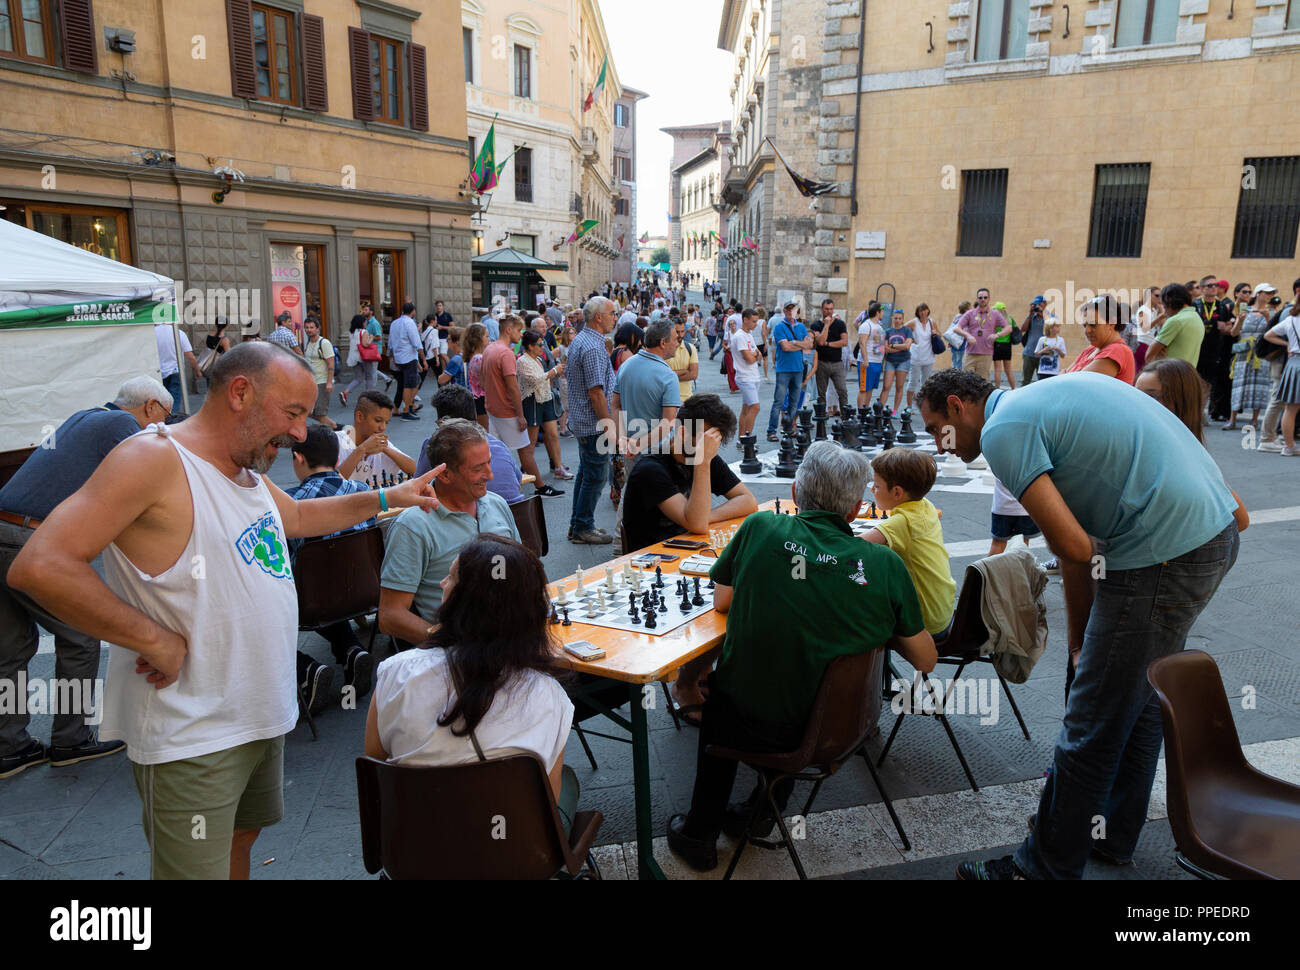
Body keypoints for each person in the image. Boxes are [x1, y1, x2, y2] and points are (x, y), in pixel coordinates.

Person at [7, 343, 441, 879]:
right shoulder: (152, 458)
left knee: (241, 838)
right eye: (294, 413)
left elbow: (301, 516)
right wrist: (152, 639)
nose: (302, 433)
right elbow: (41, 564)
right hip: (193, 729)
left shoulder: (247, 470)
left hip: (257, 712)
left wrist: (388, 498)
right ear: (240, 393)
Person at [915, 369, 1239, 880]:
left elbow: (1073, 548)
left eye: (937, 429)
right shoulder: (1051, 398)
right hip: (1211, 536)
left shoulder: (1003, 430)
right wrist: (1084, 639)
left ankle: (1040, 869)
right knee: (1139, 693)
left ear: (958, 406)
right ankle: (1108, 832)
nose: (941, 445)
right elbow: (1081, 545)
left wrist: (1089, 646)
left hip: (1160, 558)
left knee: (1091, 720)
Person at [665, 441, 938, 871]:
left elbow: (721, 603)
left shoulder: (760, 529)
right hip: (843, 728)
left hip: (749, 723)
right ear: (854, 510)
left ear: (795, 492)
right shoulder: (883, 564)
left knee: (725, 693)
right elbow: (925, 660)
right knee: (804, 684)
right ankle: (757, 815)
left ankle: (699, 833)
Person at [0, 376, 172, 779]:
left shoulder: (86, 416)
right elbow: (147, 480)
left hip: (3, 527)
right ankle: (71, 740)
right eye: (162, 417)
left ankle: (10, 748)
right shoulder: (122, 428)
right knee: (79, 636)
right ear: (150, 407)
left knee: (11, 648)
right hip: (30, 538)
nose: (160, 427)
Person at [366, 534, 581, 832]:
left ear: (466, 602)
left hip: (412, 855)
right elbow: (549, 802)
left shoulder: (395, 673)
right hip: (516, 858)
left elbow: (375, 766)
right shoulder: (550, 696)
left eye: (451, 578)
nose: (442, 584)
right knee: (567, 781)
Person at [379, 420, 521, 643]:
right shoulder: (413, 526)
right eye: (477, 468)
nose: (490, 475)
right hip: (462, 649)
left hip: (512, 633)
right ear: (444, 475)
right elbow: (391, 616)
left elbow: (520, 571)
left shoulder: (496, 504)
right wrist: (454, 644)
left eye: (489, 463)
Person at [286, 426, 376, 713]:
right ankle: (352, 650)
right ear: (338, 459)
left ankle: (305, 669)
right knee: (329, 585)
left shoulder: (293, 504)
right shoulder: (364, 492)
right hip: (363, 593)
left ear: (298, 458)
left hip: (313, 603)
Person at [621, 393, 756, 553]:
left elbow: (748, 501)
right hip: (652, 562)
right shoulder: (650, 470)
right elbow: (697, 524)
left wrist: (708, 516)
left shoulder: (707, 457)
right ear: (683, 432)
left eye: (714, 440)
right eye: (705, 439)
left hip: (689, 550)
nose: (711, 446)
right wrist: (703, 462)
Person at [1135, 358, 1250, 533]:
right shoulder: (1170, 444)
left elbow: (1240, 519)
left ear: (1180, 401)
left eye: (1152, 396)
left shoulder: (1177, 451)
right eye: (1135, 393)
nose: (1139, 401)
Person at [861, 449, 955, 638]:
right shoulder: (925, 505)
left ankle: (874, 665)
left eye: (877, 486)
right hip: (942, 609)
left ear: (897, 492)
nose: (872, 490)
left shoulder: (902, 522)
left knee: (860, 611)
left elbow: (853, 546)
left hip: (925, 622)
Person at [483, 315, 560, 498]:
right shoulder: (506, 353)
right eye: (518, 330)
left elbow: (483, 379)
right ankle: (540, 486)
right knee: (525, 451)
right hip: (506, 410)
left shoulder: (490, 349)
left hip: (493, 408)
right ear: (509, 330)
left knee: (496, 450)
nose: (520, 334)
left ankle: (496, 484)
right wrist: (520, 415)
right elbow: (512, 387)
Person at [414, 384, 524, 505]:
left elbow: (417, 487)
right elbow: (517, 480)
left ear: (443, 421)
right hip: (517, 512)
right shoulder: (497, 444)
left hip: (478, 517)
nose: (489, 476)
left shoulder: (437, 446)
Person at [566, 297, 619, 545]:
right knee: (595, 476)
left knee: (586, 474)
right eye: (612, 314)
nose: (614, 318)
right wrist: (608, 425)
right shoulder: (592, 347)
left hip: (584, 421)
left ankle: (578, 523)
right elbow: (596, 392)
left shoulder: (585, 340)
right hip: (593, 423)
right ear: (598, 317)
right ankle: (583, 527)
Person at [518, 330, 572, 486]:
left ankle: (558, 467)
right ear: (530, 346)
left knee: (553, 435)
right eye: (539, 344)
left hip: (546, 399)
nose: (542, 346)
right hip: (532, 401)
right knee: (532, 440)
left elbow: (544, 379)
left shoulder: (539, 358)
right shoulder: (522, 361)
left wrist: (556, 373)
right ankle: (524, 469)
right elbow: (535, 380)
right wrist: (554, 371)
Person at [1222, 283, 1275, 432]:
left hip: (1260, 353)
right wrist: (1240, 319)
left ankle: (1254, 419)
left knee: (1260, 385)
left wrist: (1267, 318)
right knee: (1238, 385)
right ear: (1258, 294)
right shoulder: (1246, 310)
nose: (1269, 296)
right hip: (1244, 353)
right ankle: (1232, 419)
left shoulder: (1271, 312)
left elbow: (1272, 332)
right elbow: (1234, 333)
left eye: (1271, 294)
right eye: (1267, 293)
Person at [336, 390, 415, 485]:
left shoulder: (380, 443)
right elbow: (333, 484)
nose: (383, 427)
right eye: (378, 420)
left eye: (386, 422)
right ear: (360, 416)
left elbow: (415, 470)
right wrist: (362, 449)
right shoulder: (335, 442)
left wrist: (386, 449)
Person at [766, 301, 811, 441]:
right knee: (778, 401)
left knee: (794, 401)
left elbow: (809, 345)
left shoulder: (802, 327)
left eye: (794, 309)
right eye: (789, 309)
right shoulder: (780, 327)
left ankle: (789, 428)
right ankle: (771, 431)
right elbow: (785, 347)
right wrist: (800, 343)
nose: (791, 312)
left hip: (798, 369)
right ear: (785, 311)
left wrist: (794, 342)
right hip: (784, 369)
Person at [1066, 294, 1135, 384]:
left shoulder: (1117, 351)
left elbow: (1076, 384)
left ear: (1111, 323)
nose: (1087, 330)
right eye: (1084, 325)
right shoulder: (1091, 349)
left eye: (1093, 325)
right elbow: (1064, 377)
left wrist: (1066, 376)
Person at [1260, 302, 1300, 456]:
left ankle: (1288, 446)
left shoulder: (1290, 319)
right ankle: (1289, 446)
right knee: (1290, 408)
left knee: (1290, 408)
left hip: (1292, 363)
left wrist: (1287, 343)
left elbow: (1268, 335)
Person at [1194, 276, 1235, 423]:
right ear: (1203, 288)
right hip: (1197, 349)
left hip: (1215, 351)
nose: (1213, 288)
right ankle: (1193, 412)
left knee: (1207, 385)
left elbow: (1230, 325)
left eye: (1215, 285)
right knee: (1195, 383)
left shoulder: (1223, 306)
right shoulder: (1195, 305)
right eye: (1210, 285)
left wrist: (1227, 327)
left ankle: (1199, 413)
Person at [953, 288, 1009, 380]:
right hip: (970, 353)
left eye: (985, 297)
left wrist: (997, 335)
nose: (983, 299)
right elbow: (956, 328)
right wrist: (968, 335)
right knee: (966, 381)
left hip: (986, 354)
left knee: (982, 383)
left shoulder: (995, 314)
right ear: (977, 299)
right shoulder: (970, 313)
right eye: (980, 297)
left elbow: (1008, 328)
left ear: (989, 299)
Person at [1144, 283, 1201, 366]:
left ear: (1169, 302)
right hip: (1188, 374)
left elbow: (1149, 356)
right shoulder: (1196, 317)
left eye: (1163, 305)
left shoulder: (1175, 320)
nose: (1164, 309)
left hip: (1170, 374)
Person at [811, 298, 850, 416]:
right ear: (822, 309)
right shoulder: (816, 325)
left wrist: (829, 344)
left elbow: (844, 342)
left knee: (842, 390)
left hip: (837, 363)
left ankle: (846, 417)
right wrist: (826, 325)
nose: (829, 311)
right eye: (826, 309)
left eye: (831, 309)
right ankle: (821, 418)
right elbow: (821, 341)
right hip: (822, 363)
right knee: (821, 393)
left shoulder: (840, 324)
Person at [986, 477, 1042, 556]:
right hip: (1024, 508)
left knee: (998, 544)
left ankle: (988, 568)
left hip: (1002, 508)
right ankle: (1018, 568)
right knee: (1022, 545)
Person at [388, 301, 425, 421]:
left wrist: (393, 357)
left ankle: (408, 407)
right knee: (409, 385)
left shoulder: (394, 323)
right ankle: (406, 410)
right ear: (413, 311)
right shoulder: (410, 323)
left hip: (398, 358)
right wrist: (423, 360)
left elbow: (390, 342)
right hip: (408, 357)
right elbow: (417, 343)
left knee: (405, 383)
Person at [731, 309, 762, 439]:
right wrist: (755, 355)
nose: (756, 324)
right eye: (754, 321)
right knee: (755, 407)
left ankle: (741, 438)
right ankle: (748, 439)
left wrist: (755, 355)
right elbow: (750, 359)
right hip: (745, 377)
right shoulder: (739, 336)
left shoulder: (748, 334)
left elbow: (759, 354)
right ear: (745, 319)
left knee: (746, 409)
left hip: (753, 375)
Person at [156, 322, 203, 408]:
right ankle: (173, 419)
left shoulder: (153, 332)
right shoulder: (179, 333)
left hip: (159, 372)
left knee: (162, 400)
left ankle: (165, 418)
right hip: (176, 371)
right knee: (174, 399)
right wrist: (197, 371)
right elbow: (190, 357)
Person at [302, 317, 338, 430]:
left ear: (318, 329)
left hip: (322, 382)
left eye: (312, 327)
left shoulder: (324, 343)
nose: (309, 330)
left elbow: (331, 365)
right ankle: (335, 427)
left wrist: (329, 383)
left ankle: (336, 429)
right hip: (311, 383)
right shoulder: (308, 343)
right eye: (307, 327)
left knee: (321, 413)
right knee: (308, 410)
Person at [905, 303, 938, 411]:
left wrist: (936, 333)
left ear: (928, 311)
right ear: (918, 312)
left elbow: (940, 334)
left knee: (926, 383)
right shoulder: (914, 322)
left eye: (925, 310)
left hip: (928, 356)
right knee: (913, 382)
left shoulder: (932, 322)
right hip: (915, 357)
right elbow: (903, 329)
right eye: (921, 311)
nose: (923, 313)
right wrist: (911, 340)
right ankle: (909, 406)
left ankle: (924, 406)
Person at [880, 308, 914, 414]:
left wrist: (893, 346)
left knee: (899, 387)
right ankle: (879, 411)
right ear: (892, 318)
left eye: (900, 318)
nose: (897, 320)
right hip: (890, 361)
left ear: (903, 320)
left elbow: (907, 346)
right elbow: (884, 348)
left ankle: (894, 411)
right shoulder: (887, 331)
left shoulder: (907, 331)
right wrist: (900, 347)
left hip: (903, 361)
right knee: (886, 386)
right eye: (895, 318)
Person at [461, 322, 490, 430]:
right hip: (481, 399)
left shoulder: (475, 356)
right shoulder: (479, 358)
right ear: (479, 339)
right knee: (485, 434)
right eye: (487, 336)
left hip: (478, 399)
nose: (489, 339)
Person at [856, 302, 886, 409]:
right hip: (867, 362)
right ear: (877, 312)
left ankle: (866, 409)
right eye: (882, 311)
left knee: (870, 388)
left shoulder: (879, 326)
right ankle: (861, 412)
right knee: (864, 388)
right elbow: (862, 343)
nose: (883, 313)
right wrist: (865, 360)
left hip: (877, 362)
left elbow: (880, 345)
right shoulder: (866, 325)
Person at [341, 314, 375, 406]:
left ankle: (345, 392)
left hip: (353, 357)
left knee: (358, 378)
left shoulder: (351, 332)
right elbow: (365, 344)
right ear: (362, 323)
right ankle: (369, 398)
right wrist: (371, 338)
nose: (366, 323)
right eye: (365, 321)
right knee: (369, 377)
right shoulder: (363, 332)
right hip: (364, 357)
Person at [1130, 287, 1164, 370]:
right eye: (1157, 295)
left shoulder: (1153, 310)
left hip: (1150, 344)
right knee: (1141, 370)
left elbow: (1163, 325)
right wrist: (1159, 318)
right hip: (1142, 343)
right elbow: (1144, 328)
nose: (1159, 298)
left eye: (1161, 296)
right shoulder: (1143, 309)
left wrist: (1161, 311)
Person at [670, 317, 699, 402]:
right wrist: (684, 371)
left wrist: (671, 375)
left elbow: (694, 375)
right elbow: (660, 376)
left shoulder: (690, 348)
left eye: (682, 331)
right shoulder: (663, 349)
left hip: (686, 399)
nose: (680, 335)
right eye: (677, 332)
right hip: (667, 400)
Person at [989, 301, 1017, 390]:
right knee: (1008, 370)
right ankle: (1013, 388)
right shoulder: (1010, 319)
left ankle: (997, 388)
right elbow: (1015, 329)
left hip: (997, 344)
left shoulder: (995, 319)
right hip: (1007, 345)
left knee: (997, 369)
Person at [1019, 296, 1047, 386]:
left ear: (1045, 304)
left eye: (1039, 304)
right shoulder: (1031, 317)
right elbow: (1022, 329)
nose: (1037, 306)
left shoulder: (1049, 317)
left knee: (1043, 382)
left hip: (1043, 354)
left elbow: (1052, 329)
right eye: (1035, 304)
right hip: (1029, 353)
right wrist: (1030, 314)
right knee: (1025, 381)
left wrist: (1042, 313)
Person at [945, 301, 971, 371]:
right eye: (970, 308)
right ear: (966, 310)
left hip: (953, 343)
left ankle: (955, 376)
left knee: (955, 363)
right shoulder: (965, 318)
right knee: (961, 364)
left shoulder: (956, 317)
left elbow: (951, 330)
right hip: (961, 345)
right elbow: (965, 332)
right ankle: (959, 379)